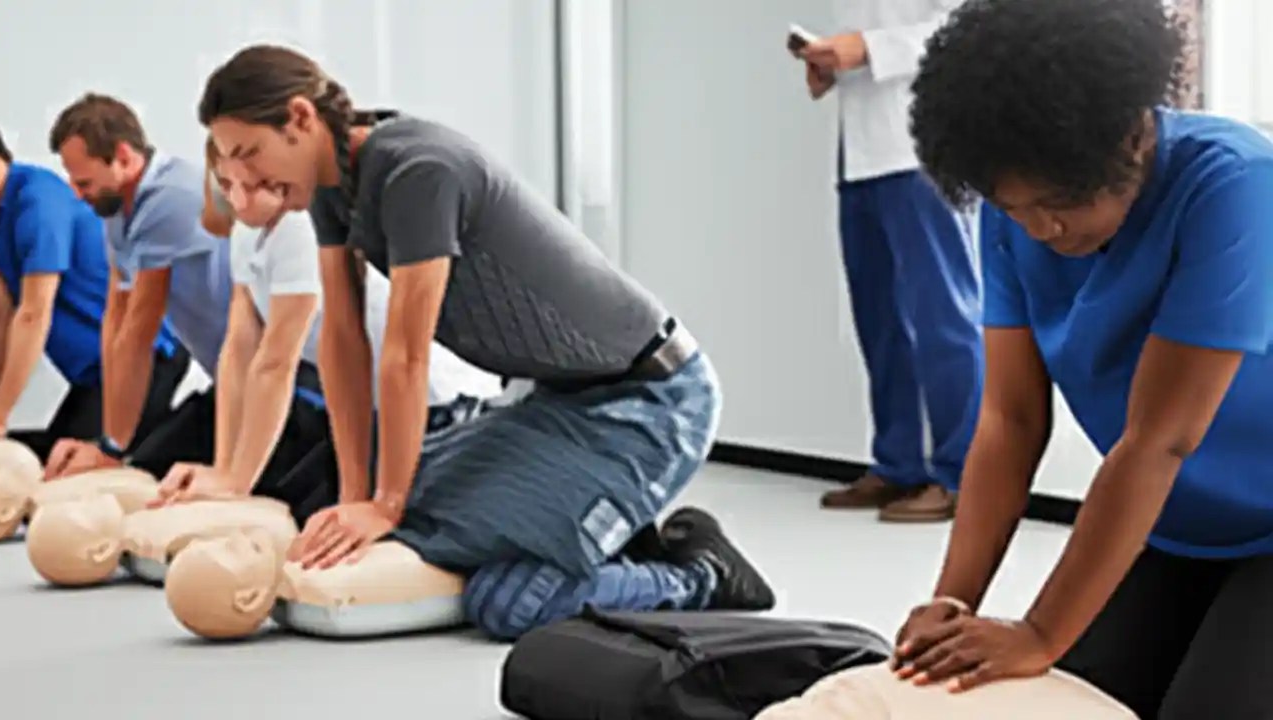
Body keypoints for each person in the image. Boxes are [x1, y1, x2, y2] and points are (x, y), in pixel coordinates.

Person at [197, 44, 774, 640]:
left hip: (652, 400)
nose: (244, 176)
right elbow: (345, 341)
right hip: (556, 400)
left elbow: (405, 355)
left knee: (510, 603)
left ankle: (701, 574)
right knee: (416, 517)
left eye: (248, 152)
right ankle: (604, 525)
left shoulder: (417, 169)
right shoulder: (326, 183)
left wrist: (384, 504)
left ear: (299, 118)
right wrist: (356, 496)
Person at [891, 1, 1273, 718]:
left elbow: (1160, 439)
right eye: (1015, 207)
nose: (1042, 228)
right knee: (1069, 703)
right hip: (1176, 527)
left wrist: (1038, 631)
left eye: (1061, 201)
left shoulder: (1235, 185)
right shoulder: (1016, 221)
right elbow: (1009, 420)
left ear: (1131, 136)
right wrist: (952, 601)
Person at [154, 140, 503, 524]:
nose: (239, 200)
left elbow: (275, 363)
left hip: (440, 407)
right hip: (370, 411)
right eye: (227, 184)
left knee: (342, 539)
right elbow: (239, 352)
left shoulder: (299, 227)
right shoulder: (247, 232)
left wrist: (235, 484)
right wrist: (223, 469)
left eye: (252, 185)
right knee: (304, 516)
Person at [795, 0, 981, 522]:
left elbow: (971, 24)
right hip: (860, 153)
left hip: (921, 150)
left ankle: (962, 475)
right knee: (880, 320)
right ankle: (898, 464)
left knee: (944, 318)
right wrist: (833, 62)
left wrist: (869, 49)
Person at [46, 93, 233, 479]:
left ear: (124, 156)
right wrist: (108, 440)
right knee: (146, 471)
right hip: (231, 378)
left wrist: (112, 447)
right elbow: (115, 319)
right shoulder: (117, 207)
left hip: (283, 376)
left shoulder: (169, 197)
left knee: (154, 478)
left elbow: (138, 331)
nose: (77, 193)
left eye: (84, 181)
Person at [0, 122, 188, 462]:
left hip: (145, 358)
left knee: (68, 467)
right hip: (95, 372)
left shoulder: (36, 200)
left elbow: (33, 312)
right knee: (48, 457)